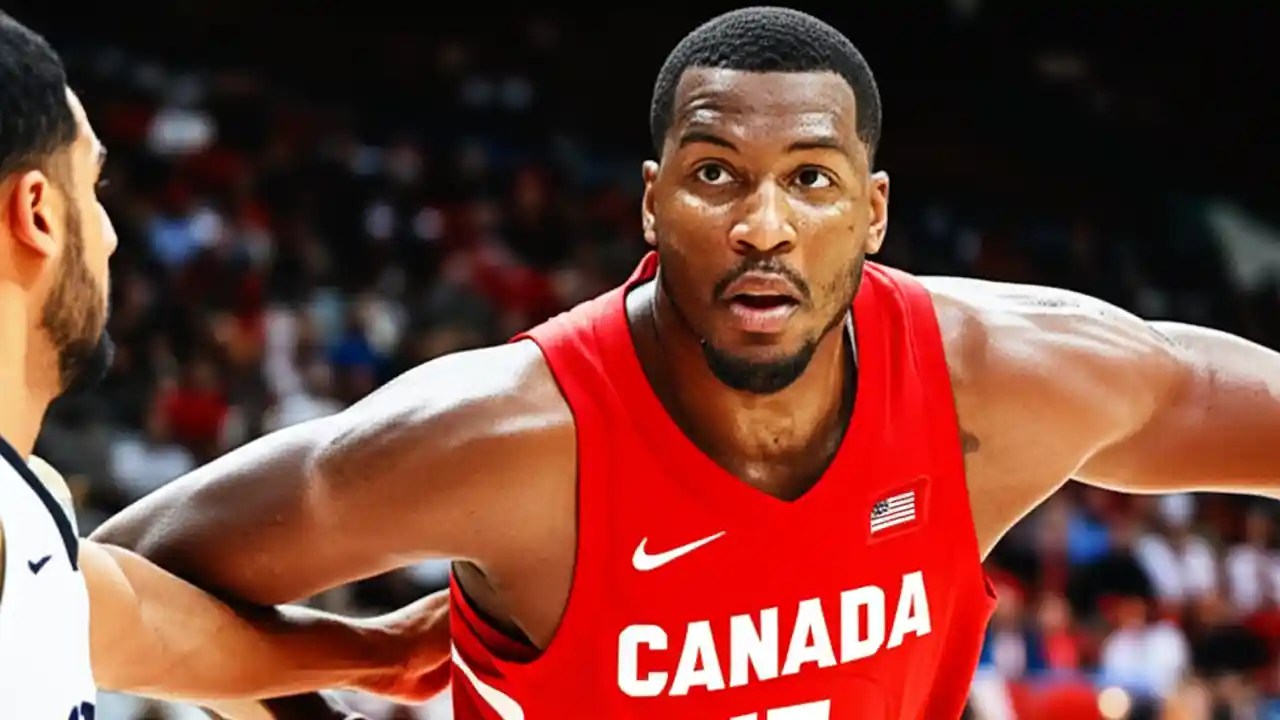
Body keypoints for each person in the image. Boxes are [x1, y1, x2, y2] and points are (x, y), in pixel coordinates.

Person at [93, 6, 1280, 719]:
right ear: (652, 202)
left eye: (809, 180)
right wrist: (333, 661)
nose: (764, 224)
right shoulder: (505, 438)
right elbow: (102, 585)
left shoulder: (1006, 384)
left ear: (870, 213)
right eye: (716, 174)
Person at [0, 12, 446, 719]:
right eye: (91, 188)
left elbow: (150, 630)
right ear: (38, 212)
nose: (110, 235)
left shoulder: (27, 512)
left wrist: (384, 654)